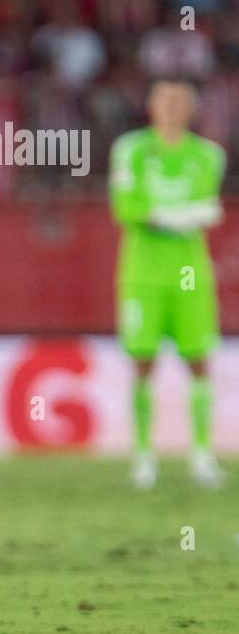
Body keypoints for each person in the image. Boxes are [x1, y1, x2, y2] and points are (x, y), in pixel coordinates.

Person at [110, 78, 226, 490]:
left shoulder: (208, 155)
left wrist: (166, 213)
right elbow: (127, 207)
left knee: (199, 360)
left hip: (190, 273)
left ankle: (201, 453)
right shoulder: (131, 150)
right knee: (143, 361)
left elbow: (206, 204)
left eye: (181, 100)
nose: (174, 106)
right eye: (166, 98)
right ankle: (143, 455)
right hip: (143, 272)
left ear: (192, 107)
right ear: (151, 105)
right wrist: (174, 216)